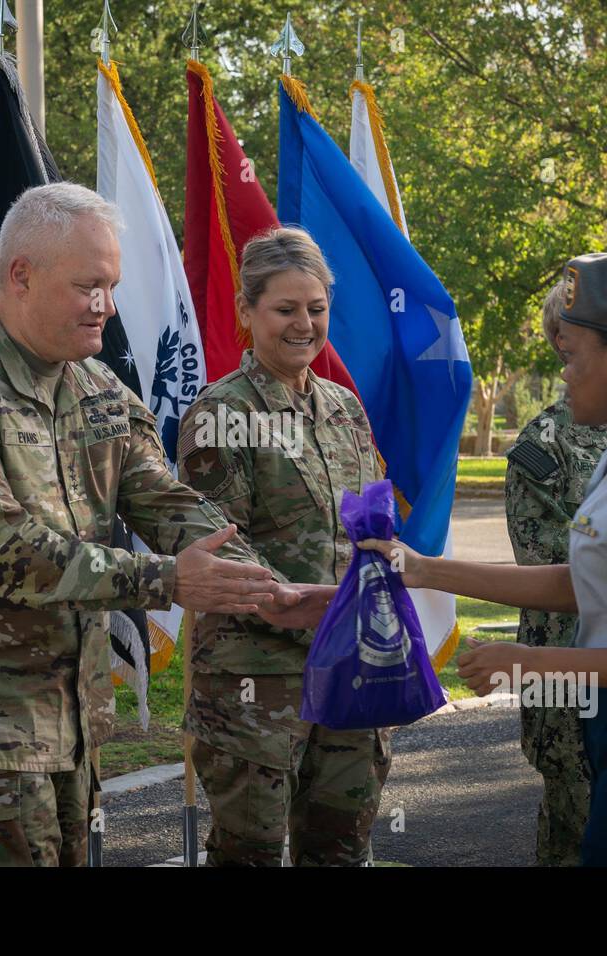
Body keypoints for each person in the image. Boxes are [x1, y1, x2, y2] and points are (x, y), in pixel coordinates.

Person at [0, 183, 304, 867]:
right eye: (89, 286)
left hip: (70, 720)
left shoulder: (95, 387)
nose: (107, 305)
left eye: (112, 285)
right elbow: (0, 549)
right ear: (21, 276)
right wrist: (167, 580)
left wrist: (260, 581)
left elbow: (164, 501)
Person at [360, 253, 607, 866]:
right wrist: (426, 570)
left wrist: (532, 664)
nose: (565, 375)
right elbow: (593, 584)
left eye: (572, 354)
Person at [177, 227, 390, 867]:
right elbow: (220, 548)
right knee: (251, 855)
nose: (305, 324)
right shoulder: (221, 414)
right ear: (247, 312)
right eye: (285, 309)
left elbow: (370, 529)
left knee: (341, 849)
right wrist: (304, 604)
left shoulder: (345, 408)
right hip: (256, 685)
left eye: (316, 309)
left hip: (347, 669)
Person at [504, 278, 607, 865]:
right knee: (578, 822)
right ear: (558, 343)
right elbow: (546, 560)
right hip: (565, 663)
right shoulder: (543, 444)